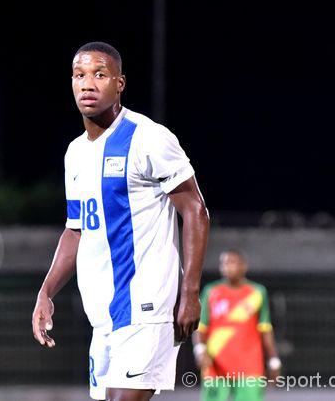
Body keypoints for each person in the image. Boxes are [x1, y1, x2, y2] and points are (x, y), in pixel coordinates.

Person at [31, 41, 210, 401]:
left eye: (100, 74)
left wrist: (190, 293)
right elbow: (76, 229)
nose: (88, 84)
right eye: (79, 75)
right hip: (103, 317)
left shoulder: (148, 137)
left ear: (119, 83)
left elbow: (195, 210)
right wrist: (46, 291)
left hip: (146, 306)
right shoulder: (75, 153)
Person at [192, 250, 281, 401]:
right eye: (223, 263)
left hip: (249, 366)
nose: (227, 267)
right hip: (215, 363)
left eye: (232, 262)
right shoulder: (211, 291)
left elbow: (265, 329)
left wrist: (274, 360)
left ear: (243, 266)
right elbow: (201, 327)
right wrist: (200, 350)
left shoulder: (257, 292)